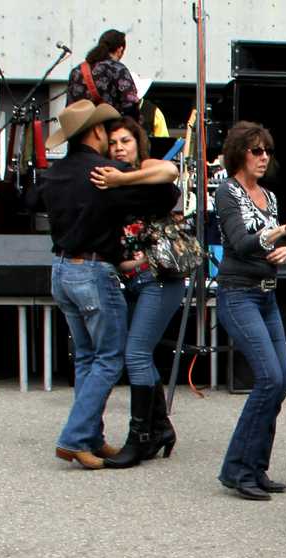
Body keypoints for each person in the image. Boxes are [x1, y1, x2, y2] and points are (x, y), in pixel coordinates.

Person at [43, 100, 180, 470]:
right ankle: (74, 439)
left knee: (86, 357)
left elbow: (30, 200)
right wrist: (123, 178)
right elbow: (168, 191)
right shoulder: (103, 173)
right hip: (92, 271)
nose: (112, 141)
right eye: (106, 131)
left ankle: (90, 436)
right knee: (108, 359)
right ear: (95, 132)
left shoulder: (55, 173)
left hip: (60, 269)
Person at [82, 117, 183, 468]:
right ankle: (161, 428)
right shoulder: (105, 177)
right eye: (112, 143)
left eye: (125, 140)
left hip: (160, 276)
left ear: (137, 142)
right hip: (132, 279)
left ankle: (139, 437)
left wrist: (121, 179)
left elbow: (170, 171)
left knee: (136, 353)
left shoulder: (145, 167)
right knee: (139, 353)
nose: (119, 148)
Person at [213, 121, 286, 500]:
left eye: (267, 151)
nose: (264, 157)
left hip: (266, 294)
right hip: (238, 293)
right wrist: (280, 233)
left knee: (282, 380)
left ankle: (256, 467)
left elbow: (269, 247)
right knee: (268, 378)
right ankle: (237, 469)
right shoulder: (227, 191)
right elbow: (241, 242)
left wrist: (284, 250)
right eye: (256, 151)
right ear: (239, 153)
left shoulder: (270, 197)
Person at [66, 29, 140, 120]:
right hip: (109, 126)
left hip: (82, 126)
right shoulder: (118, 69)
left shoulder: (77, 71)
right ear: (120, 49)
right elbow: (131, 104)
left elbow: (70, 107)